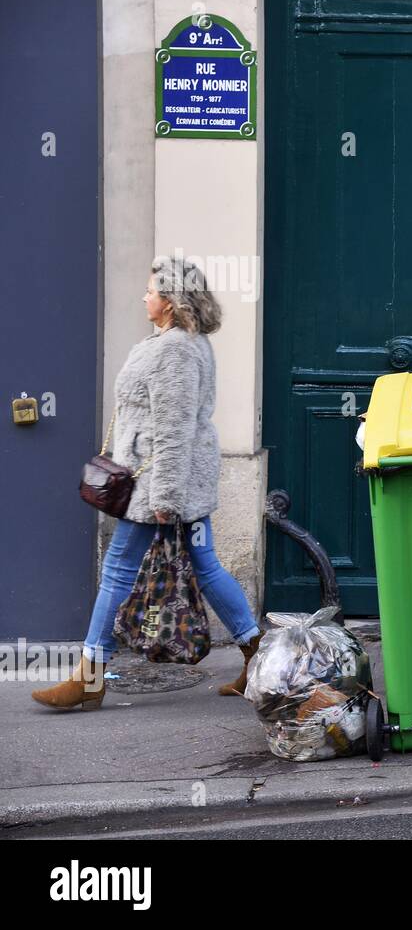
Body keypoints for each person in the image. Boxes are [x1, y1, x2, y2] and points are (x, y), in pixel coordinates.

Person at [32, 256, 263, 710]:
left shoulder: (174, 349)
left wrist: (166, 499)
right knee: (205, 564)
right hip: (170, 480)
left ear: (172, 303)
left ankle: (89, 675)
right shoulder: (182, 342)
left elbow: (173, 428)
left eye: (151, 290)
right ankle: (256, 656)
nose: (144, 296)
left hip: (157, 485)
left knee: (119, 567)